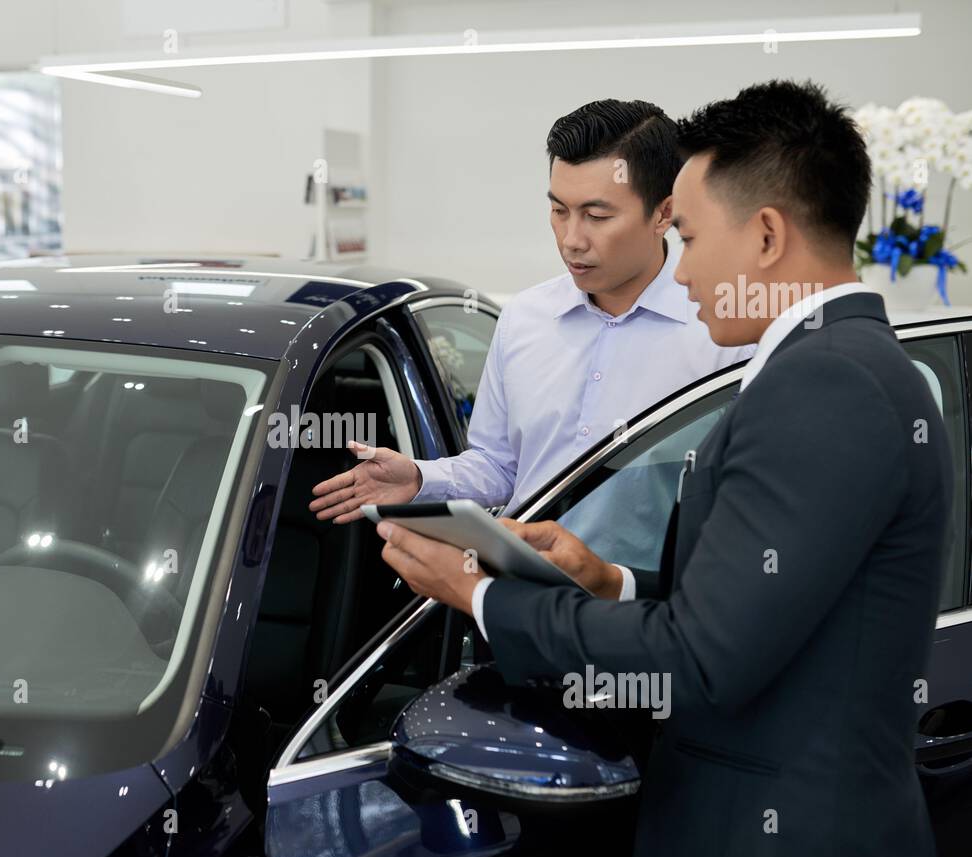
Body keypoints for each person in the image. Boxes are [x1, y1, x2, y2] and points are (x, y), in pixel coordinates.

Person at [374, 80, 953, 857]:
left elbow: (701, 660)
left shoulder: (825, 384)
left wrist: (480, 592)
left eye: (687, 236)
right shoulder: (840, 367)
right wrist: (609, 579)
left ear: (766, 237)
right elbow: (749, 609)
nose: (681, 274)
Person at [309, 99, 751, 537]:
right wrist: (423, 480)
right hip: (516, 585)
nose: (571, 240)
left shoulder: (724, 334)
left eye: (596, 216)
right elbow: (499, 466)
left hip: (640, 600)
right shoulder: (525, 319)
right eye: (559, 211)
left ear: (664, 213)